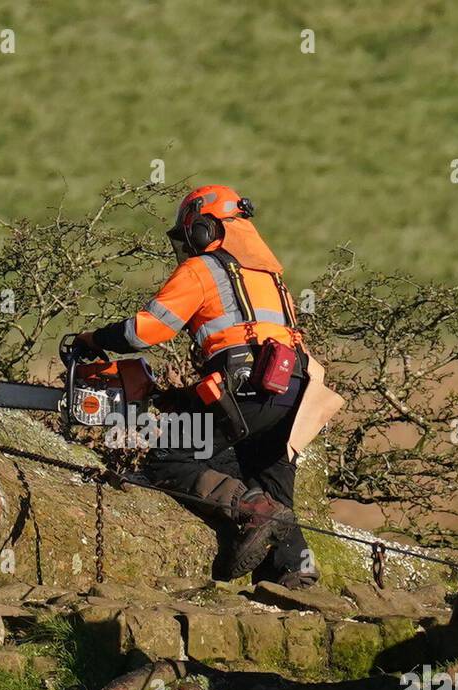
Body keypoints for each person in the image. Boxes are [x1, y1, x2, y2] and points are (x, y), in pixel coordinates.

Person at [72, 184, 315, 586]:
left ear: (203, 229)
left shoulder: (202, 270)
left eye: (189, 233)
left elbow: (143, 332)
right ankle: (296, 574)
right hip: (293, 394)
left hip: (247, 388)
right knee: (269, 476)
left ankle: (250, 508)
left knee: (169, 457)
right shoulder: (272, 279)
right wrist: (178, 398)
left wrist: (94, 339)